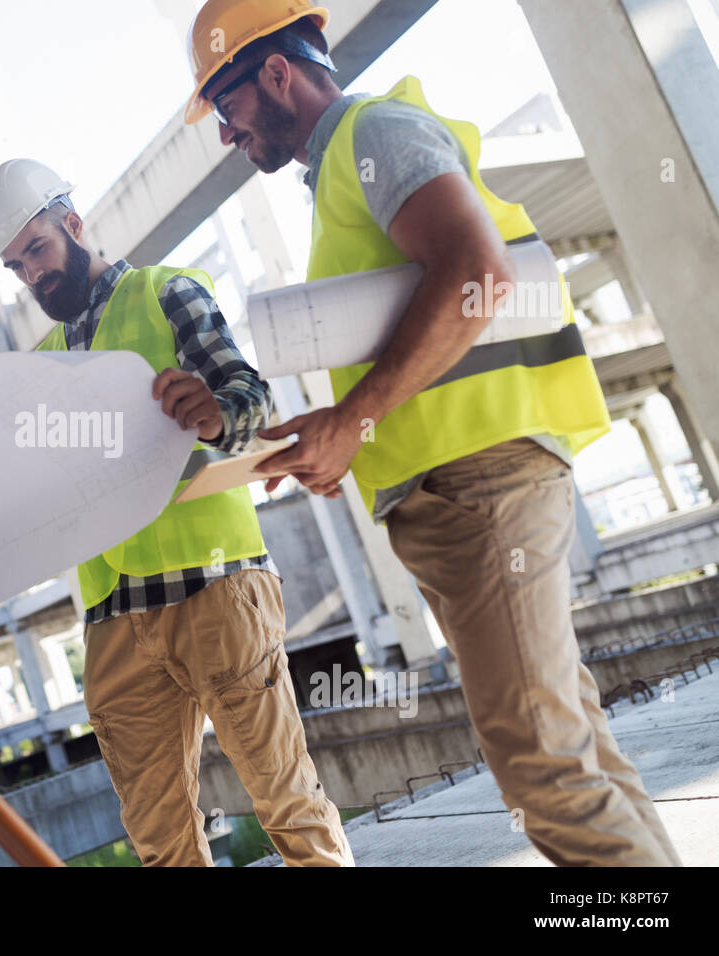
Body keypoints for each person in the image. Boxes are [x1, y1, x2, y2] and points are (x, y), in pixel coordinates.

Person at [182, 0, 680, 865]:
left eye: (227, 105)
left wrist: (354, 419)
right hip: (464, 496)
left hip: (484, 489)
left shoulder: (374, 136)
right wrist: (340, 431)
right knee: (574, 748)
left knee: (543, 768)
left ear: (275, 72)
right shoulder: (340, 169)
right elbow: (419, 331)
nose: (226, 132)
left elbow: (477, 273)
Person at [0, 158, 353, 866]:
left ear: (74, 226)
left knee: (286, 803)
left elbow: (250, 398)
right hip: (113, 618)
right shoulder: (42, 363)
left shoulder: (164, 293)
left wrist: (214, 417)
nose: (32, 276)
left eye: (38, 252)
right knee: (159, 842)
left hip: (216, 591)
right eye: (17, 267)